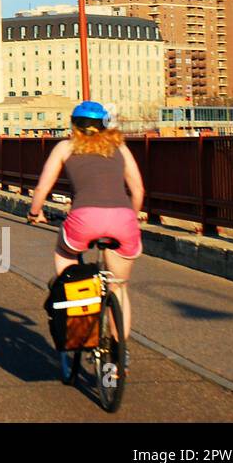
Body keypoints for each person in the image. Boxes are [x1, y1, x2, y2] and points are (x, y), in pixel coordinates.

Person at [27, 101, 146, 379]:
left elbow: (43, 187)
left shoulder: (65, 148)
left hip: (84, 220)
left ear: (73, 124)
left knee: (66, 258)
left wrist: (35, 212)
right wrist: (132, 215)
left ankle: (80, 306)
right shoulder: (121, 148)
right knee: (119, 289)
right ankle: (119, 354)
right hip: (122, 221)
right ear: (105, 124)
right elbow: (138, 189)